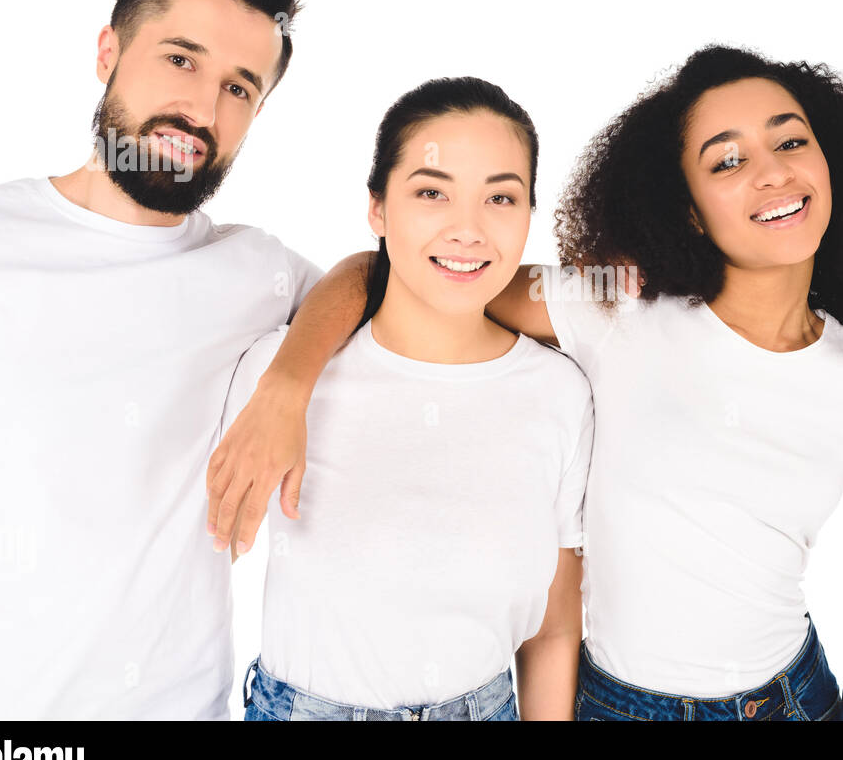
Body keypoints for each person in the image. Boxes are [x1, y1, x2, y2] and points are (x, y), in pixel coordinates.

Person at [207, 45, 843, 720]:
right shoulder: (616, 308)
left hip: (792, 699)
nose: (771, 171)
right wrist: (290, 382)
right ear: (689, 210)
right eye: (726, 160)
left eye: (791, 141)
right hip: (614, 704)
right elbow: (399, 273)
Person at [0, 0, 321, 719]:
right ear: (109, 51)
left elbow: (387, 285)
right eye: (180, 59)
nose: (202, 109)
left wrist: (290, 380)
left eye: (239, 88)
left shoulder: (255, 270)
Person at [226, 77, 592, 721]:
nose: (468, 230)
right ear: (378, 208)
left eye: (500, 198)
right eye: (431, 192)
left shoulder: (560, 393)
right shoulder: (280, 375)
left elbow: (555, 627)